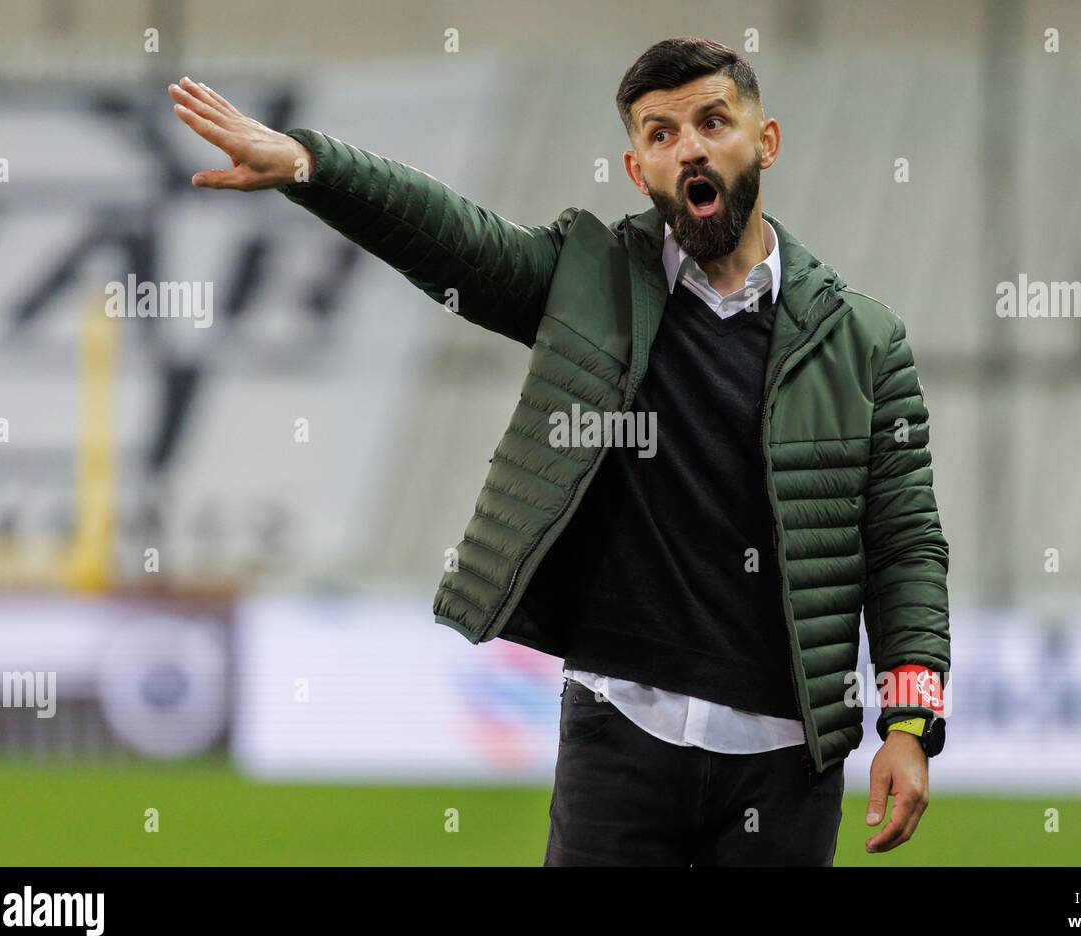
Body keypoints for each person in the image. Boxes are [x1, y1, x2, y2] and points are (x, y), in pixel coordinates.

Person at [166, 35, 950, 866]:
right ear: (637, 169)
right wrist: (310, 166)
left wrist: (910, 725)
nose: (688, 145)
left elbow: (905, 545)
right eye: (660, 133)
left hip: (785, 763)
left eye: (712, 121)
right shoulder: (591, 279)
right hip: (619, 737)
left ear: (765, 142)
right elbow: (453, 240)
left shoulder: (863, 341)